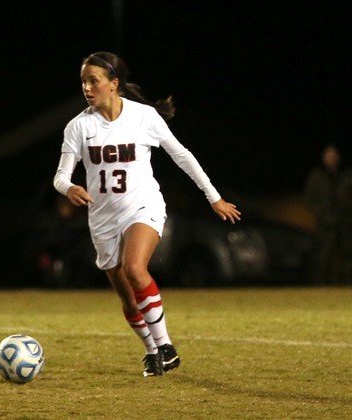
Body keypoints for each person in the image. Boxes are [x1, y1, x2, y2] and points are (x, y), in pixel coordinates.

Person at [52, 51, 241, 377]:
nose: (86, 87)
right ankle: (152, 351)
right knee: (128, 299)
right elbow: (60, 176)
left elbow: (183, 156)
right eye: (83, 81)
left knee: (135, 269)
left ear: (114, 84)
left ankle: (166, 345)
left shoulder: (143, 117)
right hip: (102, 219)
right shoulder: (78, 127)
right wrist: (68, 188)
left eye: (93, 80)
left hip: (143, 206)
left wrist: (214, 197)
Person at [303, 144, 352, 284]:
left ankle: (350, 283)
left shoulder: (348, 175)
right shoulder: (317, 176)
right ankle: (321, 284)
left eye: (333, 156)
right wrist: (321, 214)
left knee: (350, 254)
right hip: (326, 222)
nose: (331, 159)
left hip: (346, 221)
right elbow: (310, 198)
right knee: (323, 255)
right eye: (328, 156)